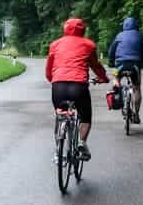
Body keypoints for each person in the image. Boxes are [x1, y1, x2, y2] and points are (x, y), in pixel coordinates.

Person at [45, 17, 109, 159]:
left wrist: (53, 79)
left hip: (58, 86)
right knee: (85, 117)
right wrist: (103, 78)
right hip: (78, 87)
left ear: (65, 29)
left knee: (60, 115)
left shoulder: (55, 45)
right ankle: (82, 142)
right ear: (83, 30)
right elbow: (95, 66)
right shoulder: (88, 45)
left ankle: (58, 148)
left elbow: (49, 70)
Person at [107, 17, 143, 124]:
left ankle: (117, 87)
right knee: (137, 88)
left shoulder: (119, 35)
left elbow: (112, 51)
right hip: (135, 65)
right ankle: (136, 114)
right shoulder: (140, 36)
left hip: (120, 65)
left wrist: (111, 62)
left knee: (116, 77)